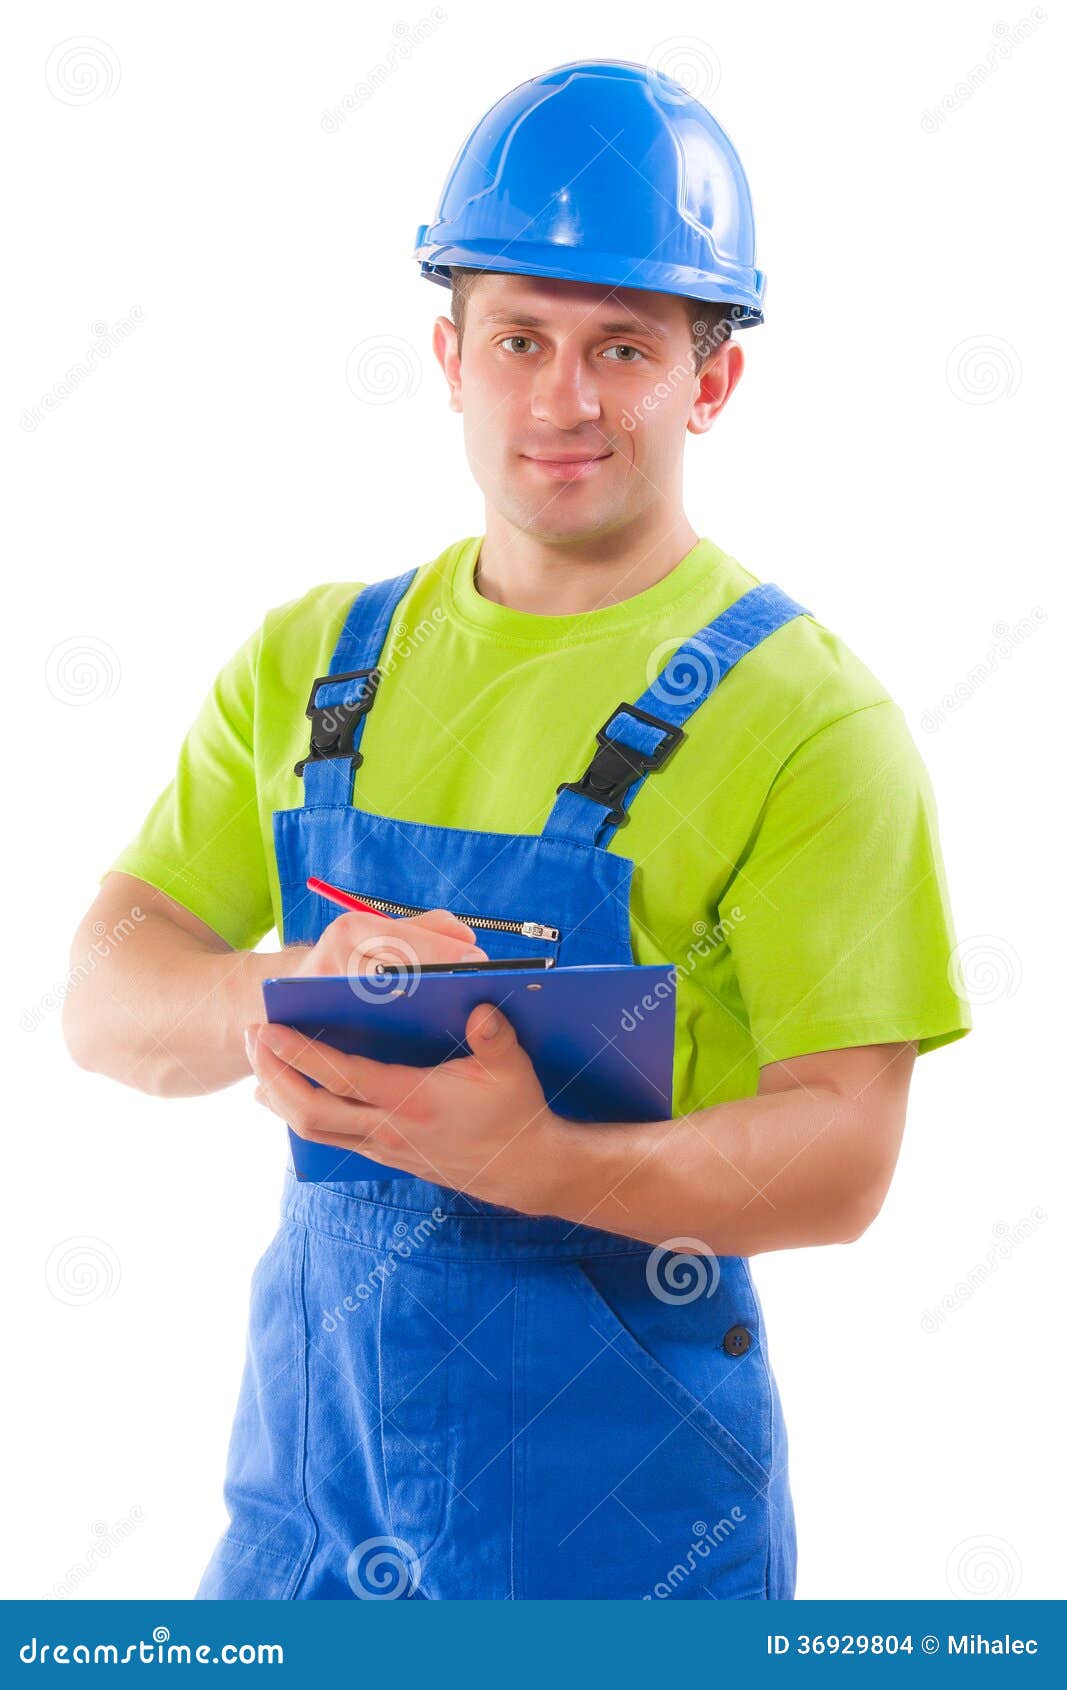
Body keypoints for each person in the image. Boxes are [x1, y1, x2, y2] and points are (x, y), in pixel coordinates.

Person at [63, 59, 972, 1601]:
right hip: (304, 1527)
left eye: (623, 345)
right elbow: (105, 996)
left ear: (712, 377)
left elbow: (845, 1154)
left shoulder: (811, 721)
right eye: (522, 340)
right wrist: (278, 985)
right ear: (450, 353)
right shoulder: (313, 666)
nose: (564, 399)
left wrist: (546, 1160)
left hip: (620, 1552)